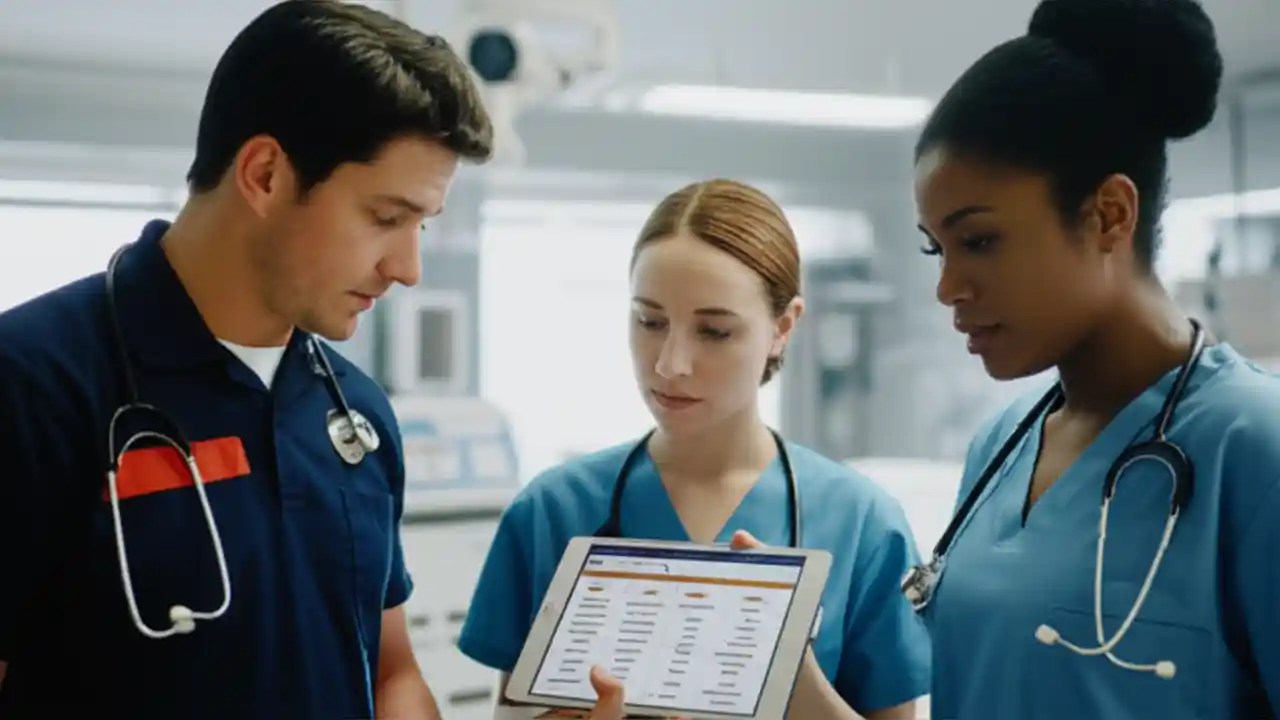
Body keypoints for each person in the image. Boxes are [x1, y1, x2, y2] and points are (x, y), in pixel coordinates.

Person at [0, 1, 503, 717]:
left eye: (422, 225)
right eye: (386, 219)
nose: (409, 266)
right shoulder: (32, 387)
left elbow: (390, 672)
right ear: (265, 174)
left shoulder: (354, 415)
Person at [910, 0, 1280, 717]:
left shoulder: (1253, 449)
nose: (948, 287)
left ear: (1109, 214)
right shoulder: (1000, 449)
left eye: (979, 241)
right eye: (936, 248)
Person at [458, 178, 932, 719]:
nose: (670, 363)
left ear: (783, 326)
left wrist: (790, 670)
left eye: (714, 332)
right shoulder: (551, 511)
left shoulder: (861, 522)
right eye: (650, 321)